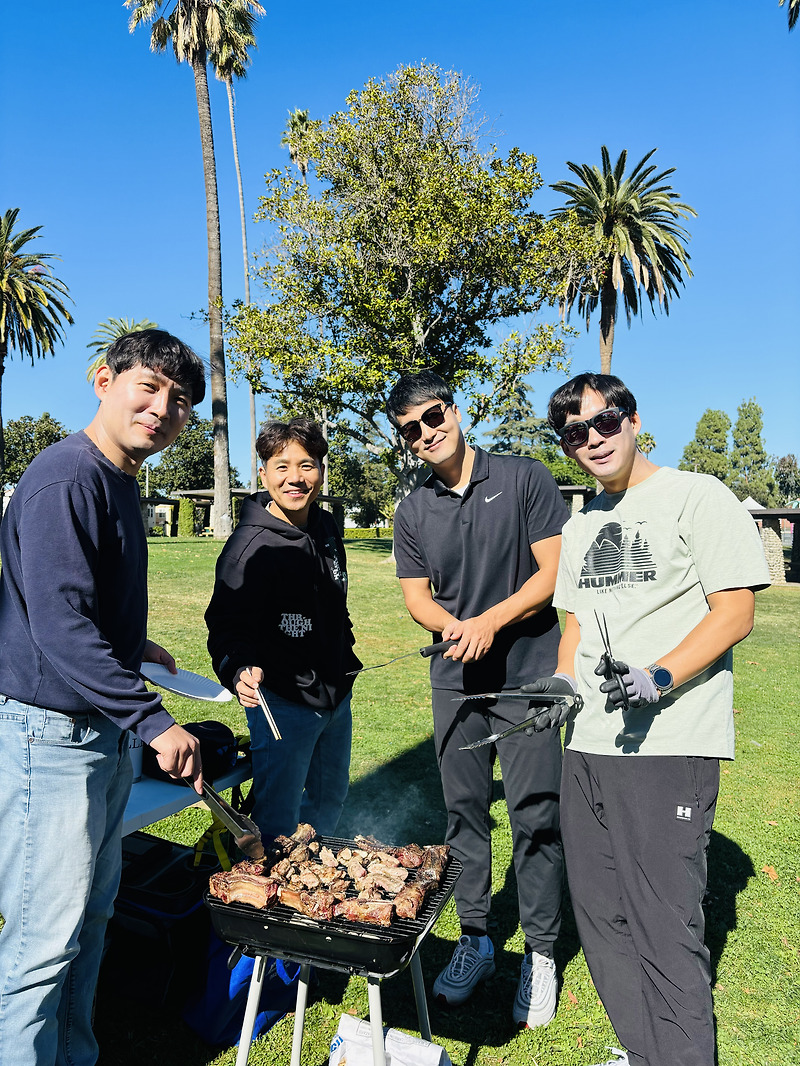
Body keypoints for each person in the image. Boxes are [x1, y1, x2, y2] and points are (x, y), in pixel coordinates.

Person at [530, 372, 770, 1066]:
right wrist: (562, 683)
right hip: (588, 746)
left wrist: (659, 676)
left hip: (667, 745)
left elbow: (736, 611)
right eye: (575, 433)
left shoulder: (697, 495)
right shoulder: (581, 524)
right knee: (602, 918)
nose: (593, 439)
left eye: (605, 422)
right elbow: (576, 626)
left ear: (633, 421)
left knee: (664, 926)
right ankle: (643, 1052)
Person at [0, 329, 206, 1066]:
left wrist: (133, 646)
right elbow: (58, 623)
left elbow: (78, 602)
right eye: (149, 387)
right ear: (103, 380)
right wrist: (153, 721)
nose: (162, 409)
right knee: (41, 946)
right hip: (51, 739)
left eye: (178, 401)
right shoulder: (67, 476)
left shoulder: (117, 479)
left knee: (89, 924)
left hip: (99, 733)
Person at [386, 370, 569, 1028]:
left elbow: (552, 574)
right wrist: (452, 627)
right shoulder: (413, 510)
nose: (426, 433)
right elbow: (417, 597)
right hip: (455, 680)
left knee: (534, 814)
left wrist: (490, 622)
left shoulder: (524, 478)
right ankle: (476, 940)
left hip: (527, 676)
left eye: (433, 416)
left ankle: (541, 953)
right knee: (463, 814)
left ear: (455, 412)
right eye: (411, 429)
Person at [205, 417, 360, 840]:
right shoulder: (248, 548)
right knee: (276, 821)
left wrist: (343, 652)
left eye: (307, 465)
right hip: (282, 704)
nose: (295, 478)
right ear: (263, 474)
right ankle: (266, 882)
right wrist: (238, 668)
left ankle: (315, 876)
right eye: (282, 466)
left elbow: (336, 603)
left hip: (337, 695)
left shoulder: (326, 528)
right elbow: (224, 625)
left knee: (328, 801)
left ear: (321, 471)